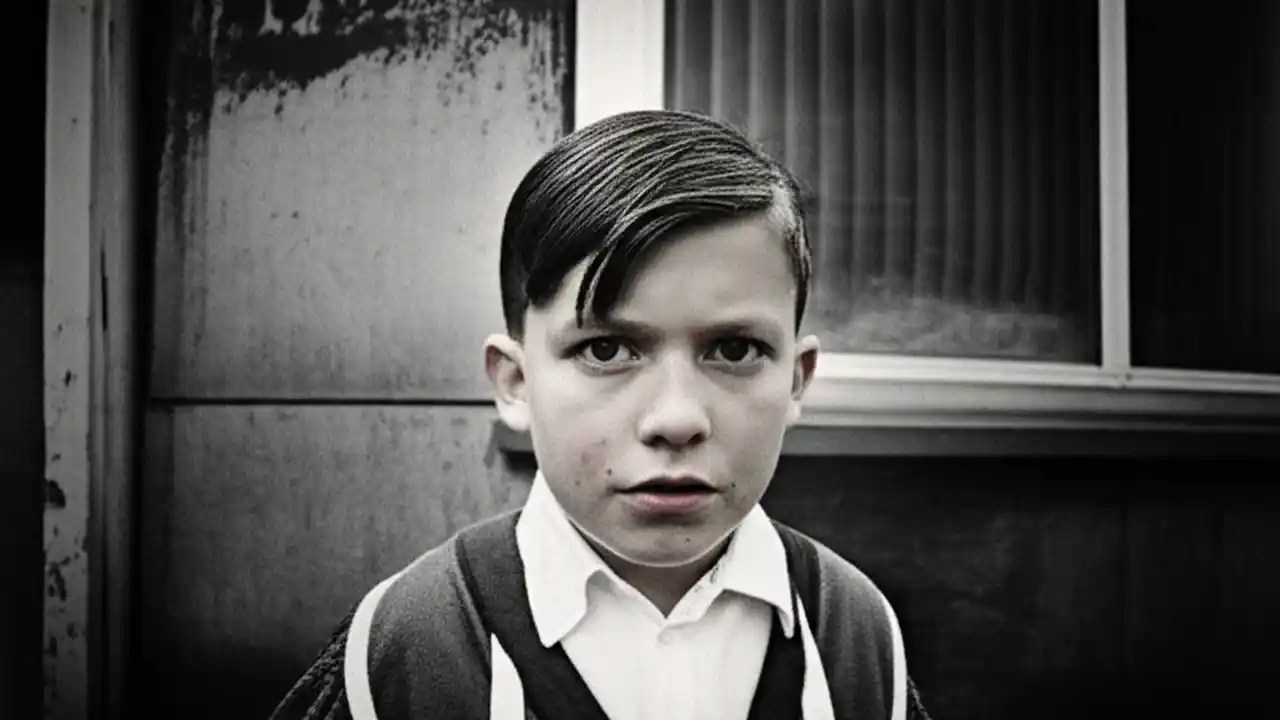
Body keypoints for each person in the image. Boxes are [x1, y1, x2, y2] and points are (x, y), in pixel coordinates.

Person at [271, 109, 932, 719]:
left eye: (733, 349)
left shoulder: (857, 637)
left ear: (796, 380)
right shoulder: (407, 646)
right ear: (517, 381)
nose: (675, 419)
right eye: (607, 349)